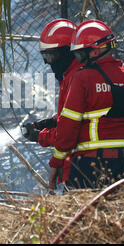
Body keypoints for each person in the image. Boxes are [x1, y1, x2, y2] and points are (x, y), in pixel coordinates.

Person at [47, 19, 124, 189]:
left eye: (81, 54)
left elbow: (68, 127)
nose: (79, 60)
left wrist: (57, 161)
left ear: (95, 51)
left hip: (91, 165)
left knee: (80, 211)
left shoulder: (83, 78)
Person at [21, 18, 83, 192]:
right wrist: (50, 123)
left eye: (51, 55)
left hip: (81, 166)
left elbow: (68, 133)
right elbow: (74, 117)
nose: (48, 62)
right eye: (45, 57)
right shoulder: (71, 76)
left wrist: (40, 136)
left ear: (67, 52)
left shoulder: (77, 78)